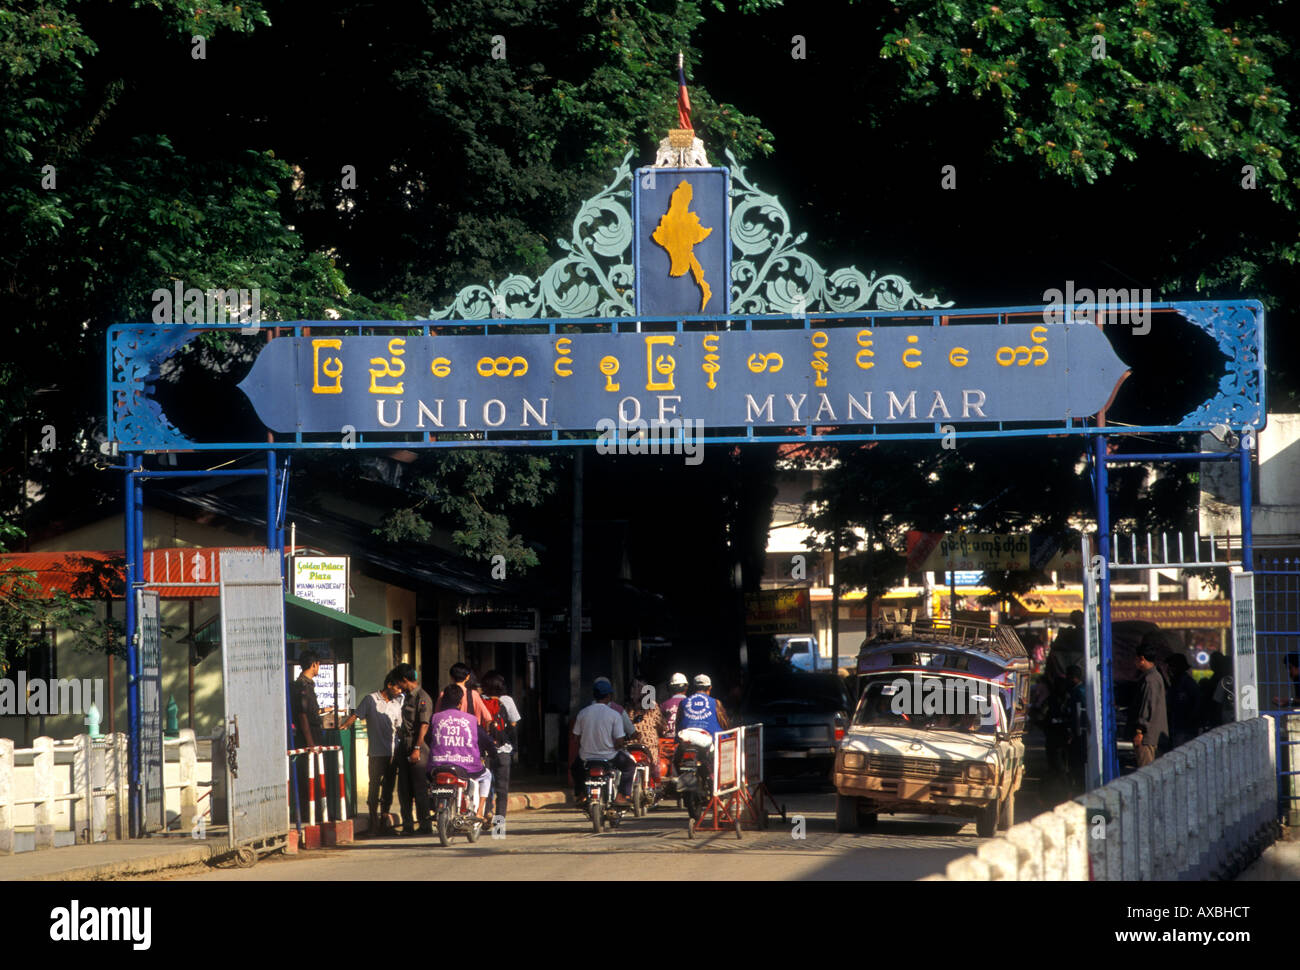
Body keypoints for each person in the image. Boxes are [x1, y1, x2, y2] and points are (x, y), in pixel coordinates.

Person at [340, 670, 405, 836]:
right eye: (397, 687)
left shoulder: (397, 704)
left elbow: (399, 729)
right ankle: (373, 822)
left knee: (388, 788)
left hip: (392, 753)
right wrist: (343, 727)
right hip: (376, 752)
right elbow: (356, 715)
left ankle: (384, 821)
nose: (399, 691)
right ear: (389, 685)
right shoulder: (370, 699)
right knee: (374, 786)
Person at [427, 685, 498, 820]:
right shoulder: (471, 720)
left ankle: (434, 805)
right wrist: (493, 752)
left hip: (437, 765)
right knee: (487, 775)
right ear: (460, 703)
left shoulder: (435, 718)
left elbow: (427, 738)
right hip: (467, 767)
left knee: (430, 782)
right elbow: (485, 740)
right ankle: (479, 811)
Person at [570, 677, 636, 806]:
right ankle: (622, 796)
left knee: (575, 768)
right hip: (609, 757)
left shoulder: (583, 713)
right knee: (630, 766)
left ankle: (581, 794)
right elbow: (619, 741)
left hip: (586, 757)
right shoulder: (614, 714)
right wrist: (617, 746)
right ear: (609, 696)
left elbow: (575, 737)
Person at [393, 663, 434, 835]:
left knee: (419, 788)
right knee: (404, 788)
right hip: (405, 744)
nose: (398, 686)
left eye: (399, 683)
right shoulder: (407, 697)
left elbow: (424, 725)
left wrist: (417, 748)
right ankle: (408, 824)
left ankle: (425, 824)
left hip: (418, 745)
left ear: (404, 680)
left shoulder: (422, 697)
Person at [480, 670, 521, 821]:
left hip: (484, 750)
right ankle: (499, 826)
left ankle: (486, 814)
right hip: (503, 750)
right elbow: (514, 723)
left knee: (485, 783)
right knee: (502, 789)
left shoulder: (480, 699)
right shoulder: (507, 700)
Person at [290, 650, 325, 822]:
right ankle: (306, 815)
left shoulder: (308, 684)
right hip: (307, 737)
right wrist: (311, 743)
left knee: (315, 776)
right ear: (313, 665)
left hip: (313, 734)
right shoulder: (302, 686)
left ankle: (314, 813)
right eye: (318, 664)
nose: (319, 667)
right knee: (308, 776)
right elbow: (303, 715)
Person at [1130, 641, 1169, 767]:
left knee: (1145, 773)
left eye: (1135, 659)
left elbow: (1147, 706)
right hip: (1156, 735)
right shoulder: (1156, 677)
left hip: (1148, 737)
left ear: (1142, 659)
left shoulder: (1149, 679)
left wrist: (1139, 731)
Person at [1165, 654, 1199, 747]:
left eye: (1172, 666)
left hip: (1185, 730)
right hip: (1177, 728)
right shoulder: (1175, 683)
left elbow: (1195, 706)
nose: (1169, 670)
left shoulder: (1187, 684)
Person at [1064, 664, 1088, 794]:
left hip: (1078, 734)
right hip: (1080, 733)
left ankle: (1078, 786)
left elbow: (1076, 715)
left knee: (1077, 763)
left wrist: (1073, 733)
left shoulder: (1077, 692)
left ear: (1073, 678)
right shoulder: (1082, 689)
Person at [449, 662, 494, 728]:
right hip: (471, 733)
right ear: (467, 677)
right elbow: (487, 717)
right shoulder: (474, 694)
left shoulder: (443, 694)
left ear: (451, 677)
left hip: (451, 734)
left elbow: (438, 715)